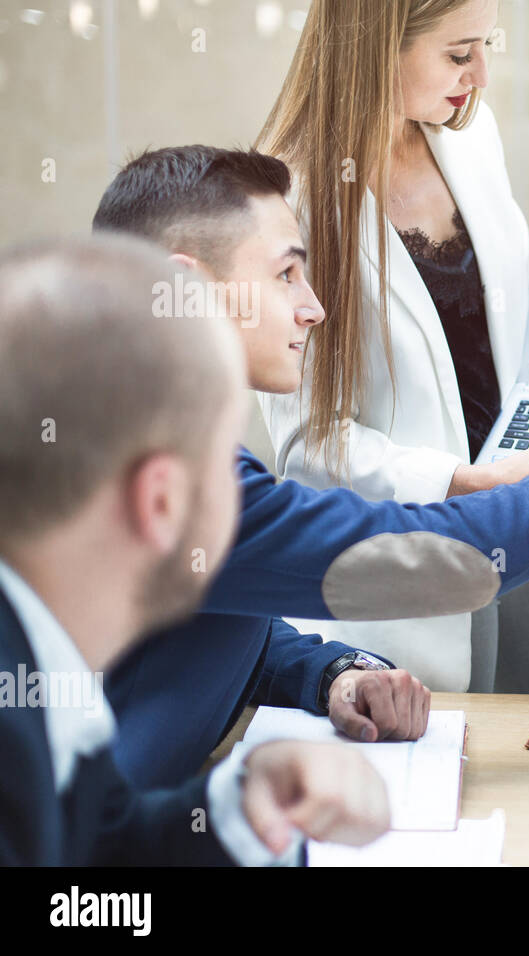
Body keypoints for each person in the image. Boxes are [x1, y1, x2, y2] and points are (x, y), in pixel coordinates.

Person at [92, 145, 529, 787]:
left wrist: (331, 675)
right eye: (285, 276)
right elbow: (432, 556)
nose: (314, 308)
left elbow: (212, 622)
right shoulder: (164, 476)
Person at [0, 236, 390, 865]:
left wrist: (239, 806)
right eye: (227, 457)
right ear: (161, 502)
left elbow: (101, 855)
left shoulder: (45, 661)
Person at [256, 0, 529, 692]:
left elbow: (497, 331)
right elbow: (309, 444)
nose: (482, 76)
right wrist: (461, 480)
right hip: (411, 561)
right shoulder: (290, 197)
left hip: (520, 531)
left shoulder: (471, 138)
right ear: (376, 46)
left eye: (486, 45)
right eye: (459, 52)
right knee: (447, 781)